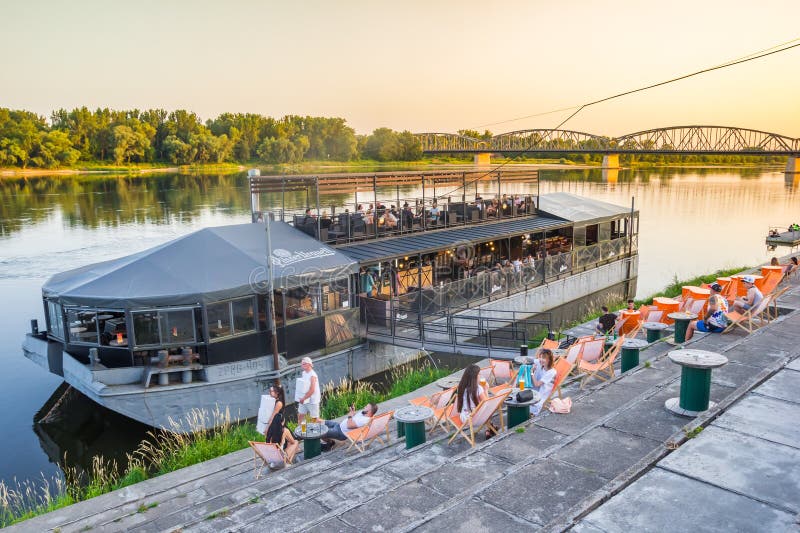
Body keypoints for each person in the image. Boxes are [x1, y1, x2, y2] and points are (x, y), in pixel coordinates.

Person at [456, 364, 495, 438]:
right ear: (474, 376)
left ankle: (491, 428)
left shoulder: (460, 387)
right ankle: (490, 430)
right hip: (475, 419)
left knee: (482, 409)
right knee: (489, 409)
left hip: (464, 417)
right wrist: (485, 389)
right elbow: (487, 403)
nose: (480, 375)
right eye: (479, 374)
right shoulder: (478, 389)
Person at [264, 384, 299, 464]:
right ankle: (288, 462)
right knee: (295, 443)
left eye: (271, 391)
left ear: (277, 393)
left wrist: (267, 428)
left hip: (277, 428)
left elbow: (272, 417)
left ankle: (288, 460)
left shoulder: (279, 403)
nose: (269, 393)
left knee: (291, 442)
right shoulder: (275, 401)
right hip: (281, 458)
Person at [297, 357, 321, 425]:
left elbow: (312, 390)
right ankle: (301, 431)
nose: (302, 365)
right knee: (300, 415)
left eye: (304, 364)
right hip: (305, 398)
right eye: (301, 364)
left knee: (314, 419)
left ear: (309, 364)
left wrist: (303, 398)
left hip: (313, 400)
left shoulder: (313, 375)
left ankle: (327, 424)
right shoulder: (304, 373)